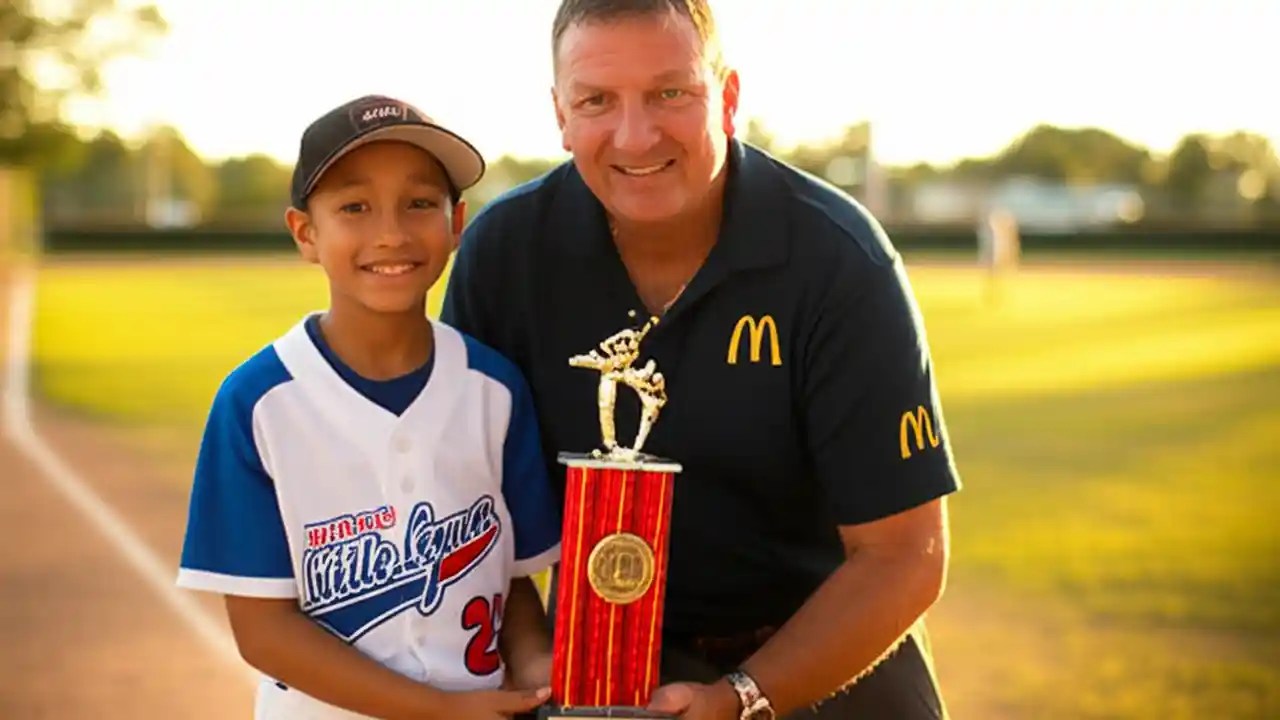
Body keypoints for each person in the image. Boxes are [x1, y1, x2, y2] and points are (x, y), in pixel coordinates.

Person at [442, 1, 963, 718]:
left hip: (828, 655)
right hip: (600, 668)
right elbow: (468, 517)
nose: (635, 134)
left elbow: (906, 556)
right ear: (560, 114)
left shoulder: (837, 259)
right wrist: (539, 665)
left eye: (670, 92)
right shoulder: (505, 252)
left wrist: (741, 696)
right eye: (597, 100)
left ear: (728, 98)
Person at [175, 94, 563, 720]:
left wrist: (542, 674)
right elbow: (263, 632)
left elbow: (512, 582)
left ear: (456, 222)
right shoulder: (257, 402)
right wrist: (438, 709)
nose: (391, 232)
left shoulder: (495, 388)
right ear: (306, 232)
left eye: (419, 204)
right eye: (354, 207)